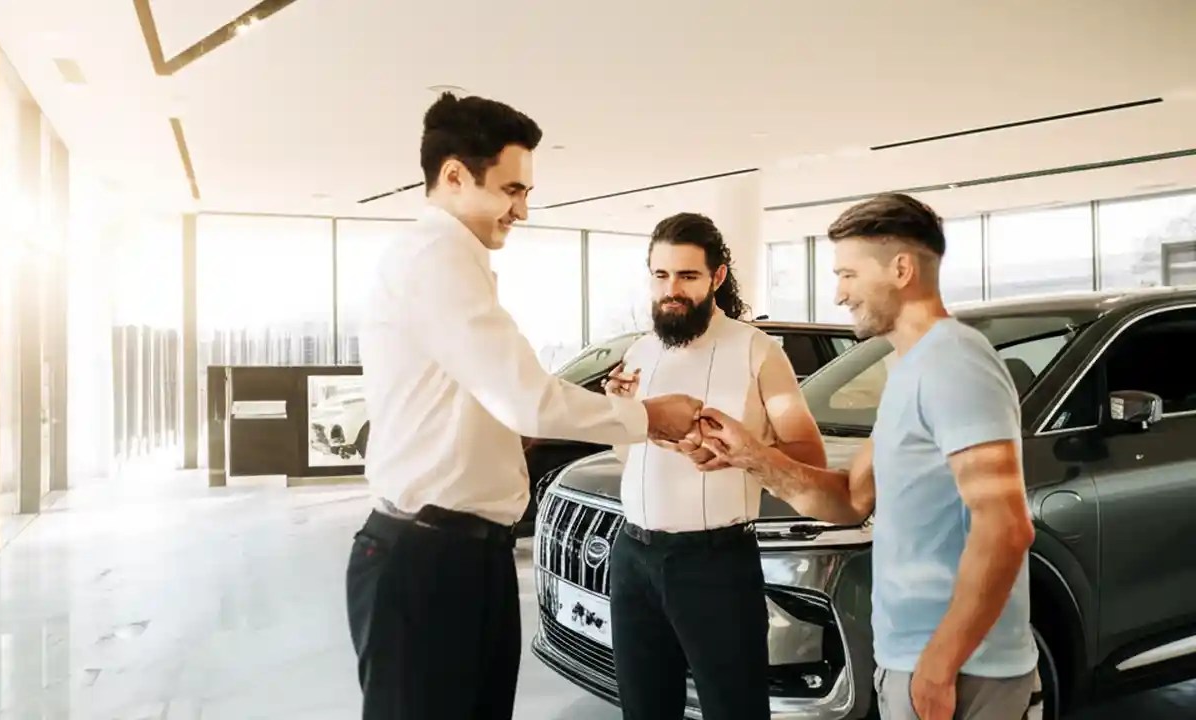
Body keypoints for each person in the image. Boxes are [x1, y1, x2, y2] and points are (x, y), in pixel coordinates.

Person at [346, 92, 703, 720]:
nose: (524, 209)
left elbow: (492, 397)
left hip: (460, 555)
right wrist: (650, 417)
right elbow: (525, 399)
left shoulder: (451, 261)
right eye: (512, 189)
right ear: (455, 175)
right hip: (428, 560)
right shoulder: (436, 257)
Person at [696, 193, 1040, 720]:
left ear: (901, 269)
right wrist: (752, 457)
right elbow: (853, 498)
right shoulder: (909, 369)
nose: (838, 294)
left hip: (964, 671)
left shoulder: (956, 363)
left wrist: (940, 664)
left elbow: (1006, 528)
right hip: (913, 660)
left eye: (849, 275)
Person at [601, 212, 827, 720]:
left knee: (734, 710)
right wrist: (621, 416)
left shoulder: (757, 351)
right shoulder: (641, 349)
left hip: (714, 563)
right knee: (643, 709)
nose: (671, 291)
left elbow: (809, 455)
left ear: (717, 277)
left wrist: (745, 454)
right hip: (633, 555)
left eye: (687, 276)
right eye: (661, 276)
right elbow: (629, 459)